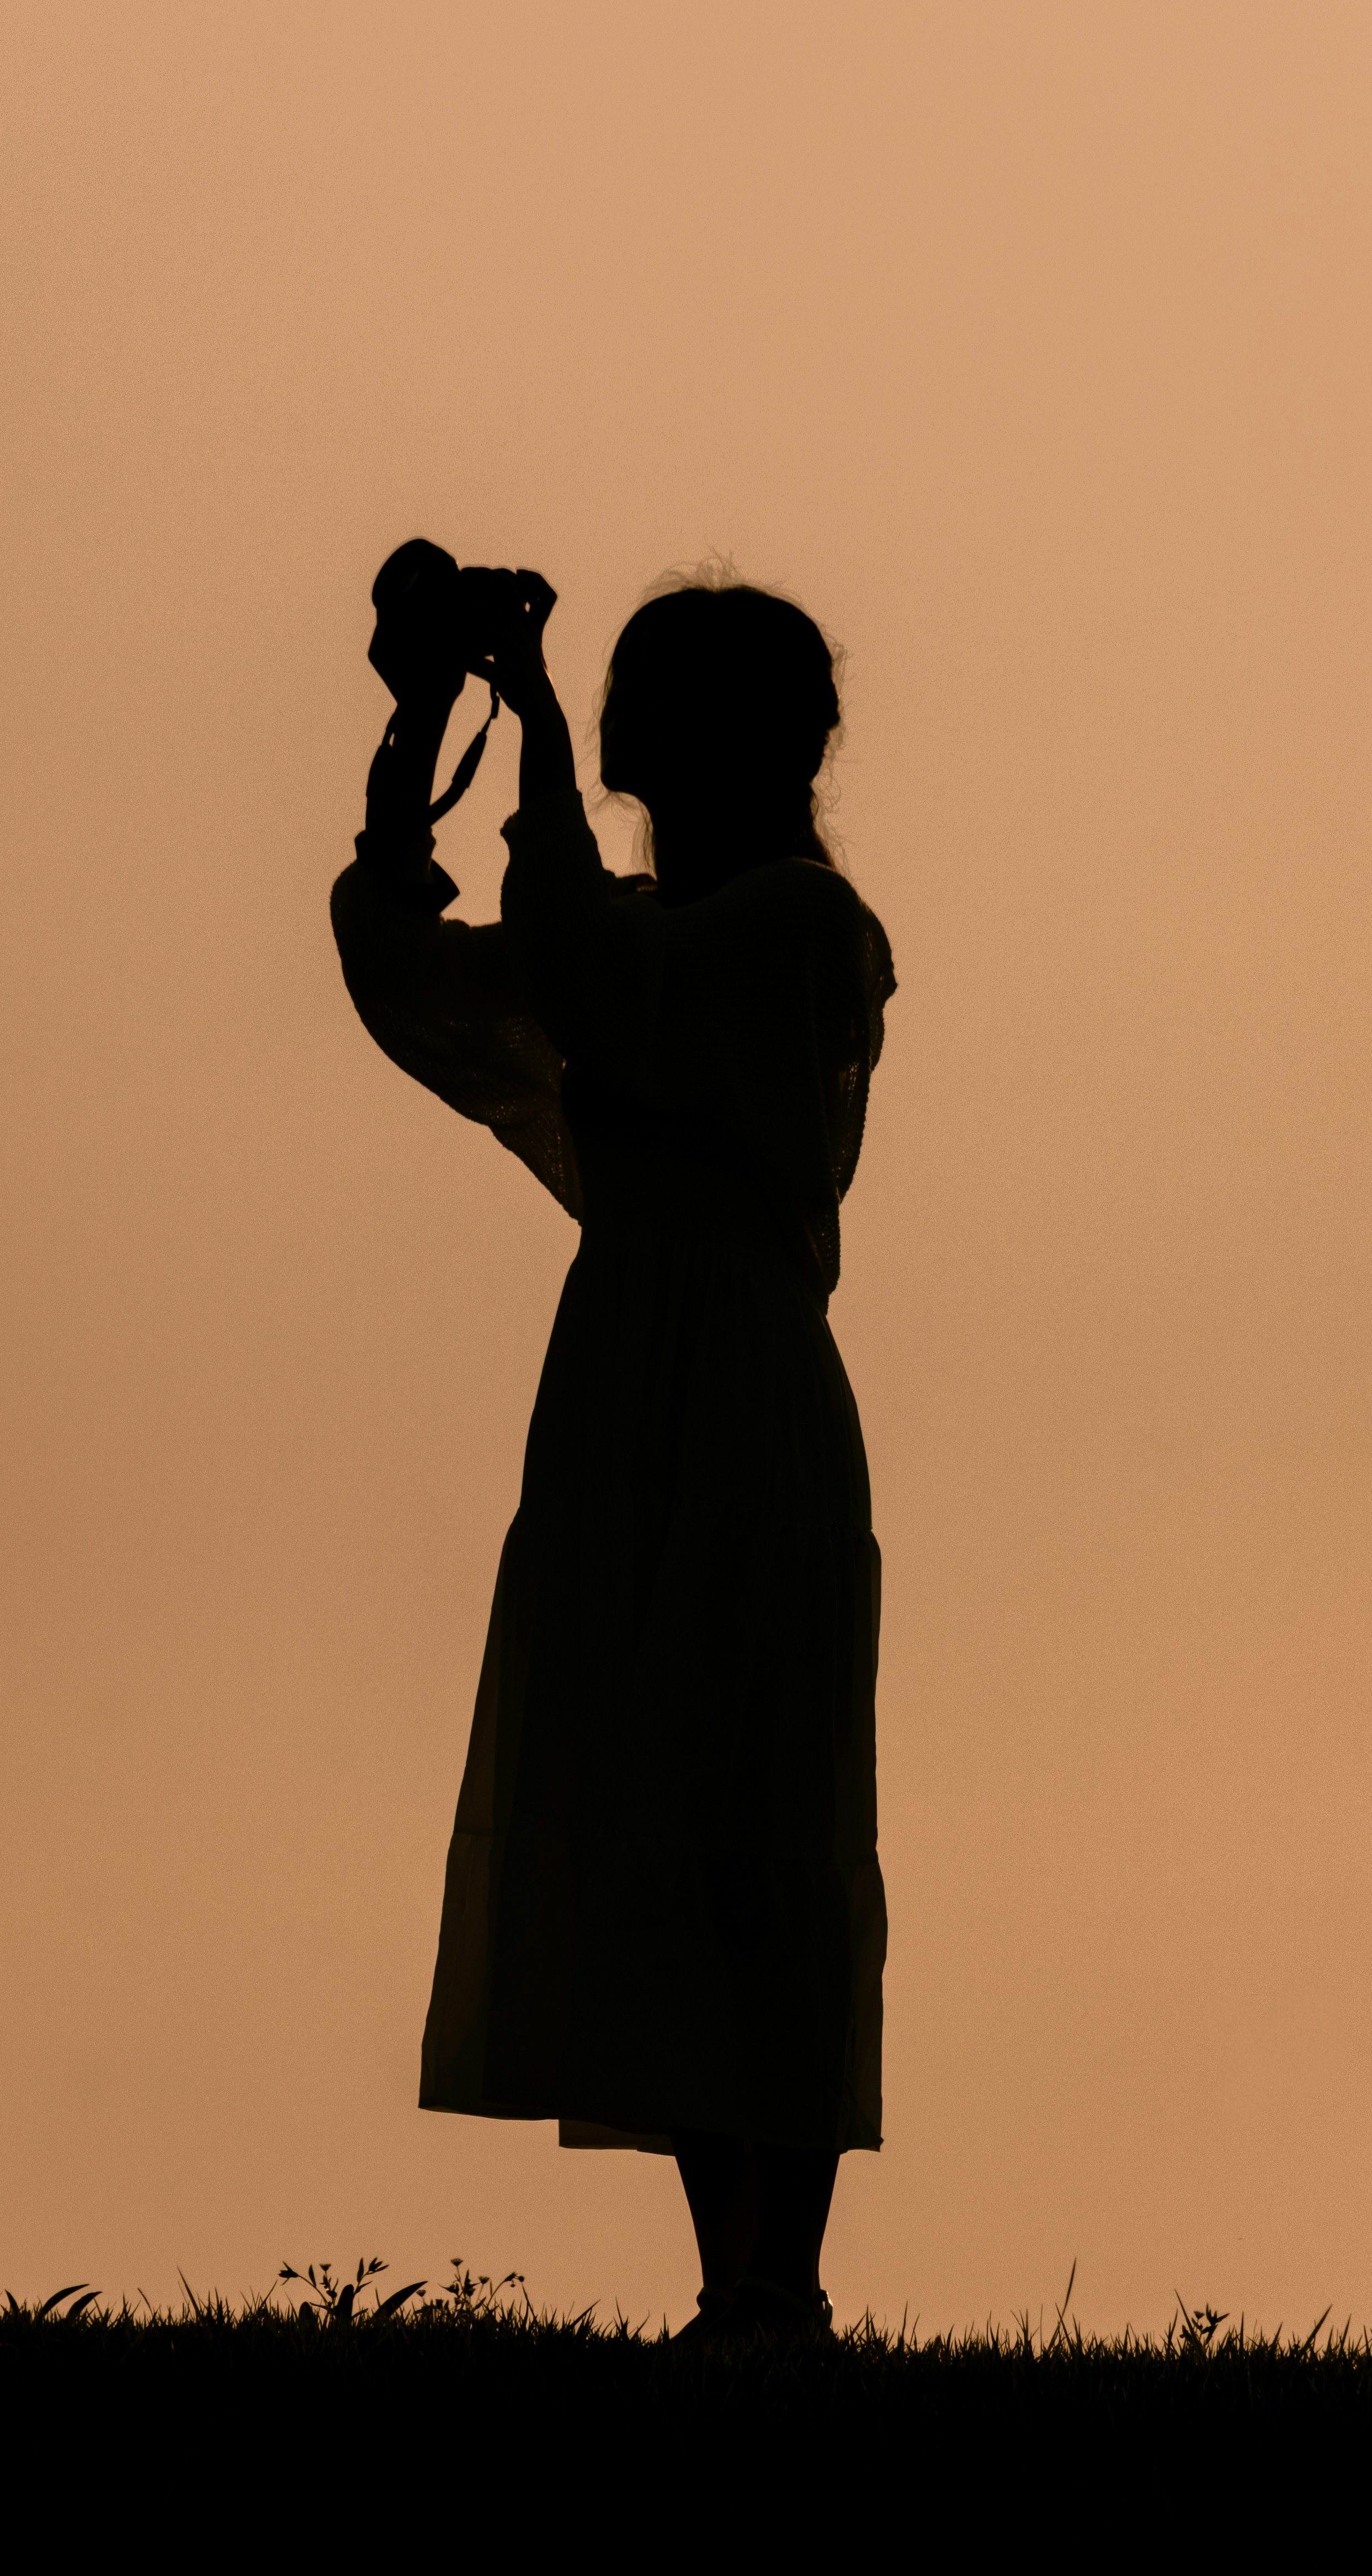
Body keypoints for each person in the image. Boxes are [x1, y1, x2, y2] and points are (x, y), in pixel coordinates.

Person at [329, 546, 898, 2343]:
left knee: (755, 1820)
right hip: (624, 1397)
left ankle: (778, 2290)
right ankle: (739, 2289)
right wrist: (421, 734)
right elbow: (413, 974)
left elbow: (599, 991)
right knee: (656, 1810)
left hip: (739, 1398)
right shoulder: (650, 937)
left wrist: (543, 749)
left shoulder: (803, 936)